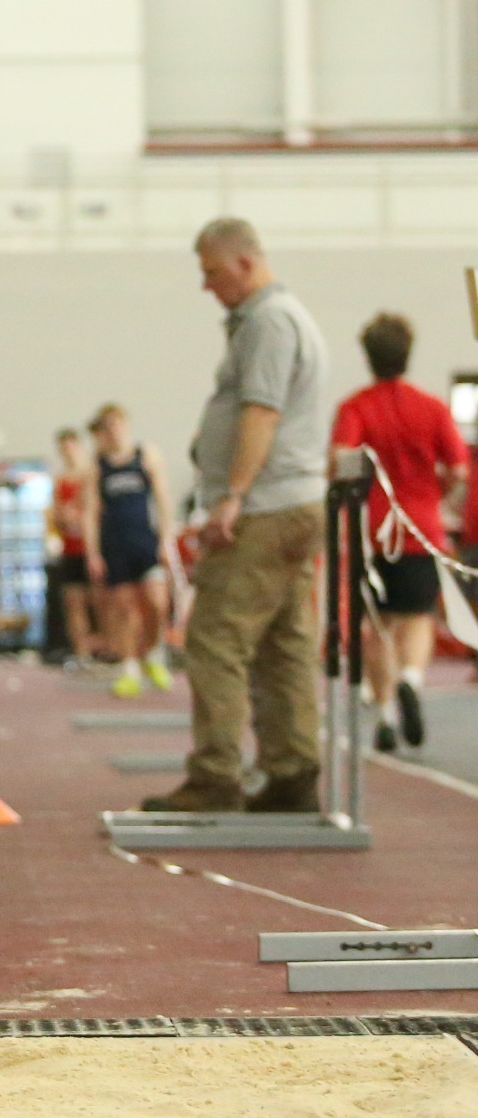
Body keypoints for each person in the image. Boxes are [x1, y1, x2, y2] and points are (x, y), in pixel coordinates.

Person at [142, 218, 329, 814]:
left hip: (267, 507)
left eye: (211, 272)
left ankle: (216, 775)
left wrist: (233, 495)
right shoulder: (282, 316)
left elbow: (261, 413)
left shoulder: (270, 323)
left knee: (215, 638)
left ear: (245, 264)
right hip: (291, 503)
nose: (206, 286)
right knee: (282, 641)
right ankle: (293, 771)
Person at [330, 312, 468, 752]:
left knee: (379, 625)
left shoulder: (356, 408)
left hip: (373, 531)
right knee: (418, 618)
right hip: (420, 528)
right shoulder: (432, 408)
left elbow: (340, 460)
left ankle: (386, 713)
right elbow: (460, 468)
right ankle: (410, 677)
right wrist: (438, 494)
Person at [82, 404, 175, 698]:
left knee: (157, 601)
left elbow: (162, 498)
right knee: (124, 608)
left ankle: (152, 651)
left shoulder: (145, 456)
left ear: (125, 424)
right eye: (105, 428)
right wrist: (92, 553)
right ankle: (129, 666)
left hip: (144, 541)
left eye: (116, 425)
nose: (112, 432)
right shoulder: (96, 466)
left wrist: (166, 538)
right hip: (115, 544)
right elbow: (89, 512)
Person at [47, 428, 98, 669]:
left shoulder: (91, 476)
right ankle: (82, 653)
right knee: (74, 602)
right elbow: (54, 515)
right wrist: (62, 518)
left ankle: (109, 649)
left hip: (93, 549)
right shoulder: (60, 481)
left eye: (71, 447)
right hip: (71, 550)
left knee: (100, 601)